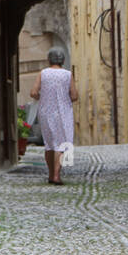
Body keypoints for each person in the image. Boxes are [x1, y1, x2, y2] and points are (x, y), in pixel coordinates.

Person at [29, 47, 78, 185]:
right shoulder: (67, 74)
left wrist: (43, 97)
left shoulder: (43, 73)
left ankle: (50, 174)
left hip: (46, 112)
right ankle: (57, 175)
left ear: (49, 59)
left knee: (49, 144)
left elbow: (33, 92)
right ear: (62, 60)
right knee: (61, 144)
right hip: (63, 113)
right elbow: (74, 96)